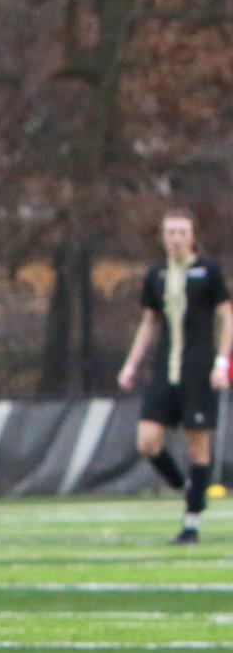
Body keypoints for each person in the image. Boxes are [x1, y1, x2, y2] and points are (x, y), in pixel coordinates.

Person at [117, 208, 231, 544]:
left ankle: (191, 524)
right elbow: (149, 323)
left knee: (199, 447)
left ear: (193, 235)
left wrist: (222, 362)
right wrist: (131, 365)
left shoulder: (208, 272)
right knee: (147, 441)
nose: (176, 238)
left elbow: (227, 316)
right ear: (162, 237)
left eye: (182, 231)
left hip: (198, 373)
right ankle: (186, 488)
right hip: (165, 372)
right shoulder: (156, 275)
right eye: (170, 232)